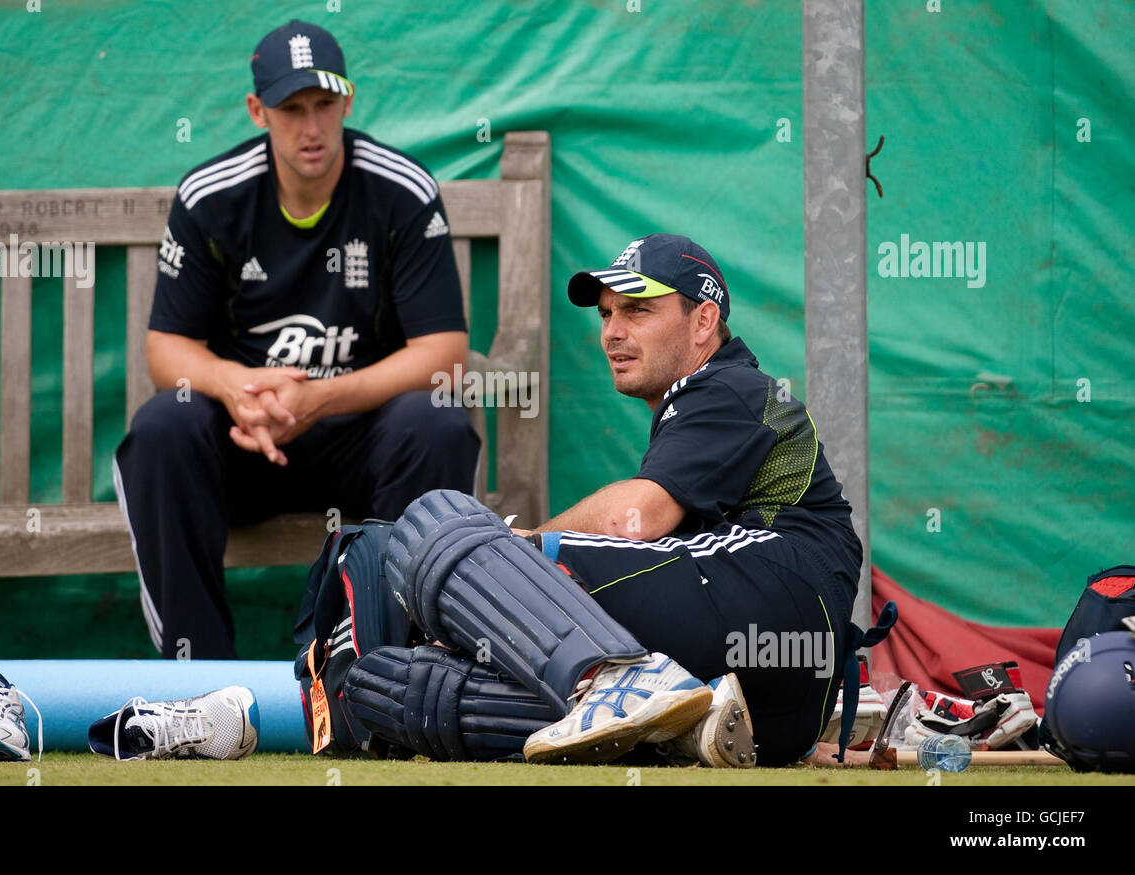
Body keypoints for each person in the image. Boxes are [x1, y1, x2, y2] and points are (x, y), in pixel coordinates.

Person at [341, 233, 864, 767]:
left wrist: (512, 551)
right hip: (769, 700)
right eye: (607, 315)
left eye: (637, 311)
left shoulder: (729, 386)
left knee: (438, 523)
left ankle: (612, 680)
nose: (613, 332)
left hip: (775, 596)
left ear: (704, 321)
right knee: (394, 689)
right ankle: (684, 728)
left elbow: (634, 519)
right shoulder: (713, 401)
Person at [113, 20, 478, 661]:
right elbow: (166, 349)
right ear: (259, 111)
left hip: (363, 445)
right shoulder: (210, 197)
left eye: (324, 105)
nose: (311, 127)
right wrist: (240, 388)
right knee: (164, 425)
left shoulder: (402, 190)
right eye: (291, 109)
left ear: (348, 102)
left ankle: (393, 669)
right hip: (247, 442)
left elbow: (443, 352)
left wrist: (323, 399)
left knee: (437, 419)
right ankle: (198, 681)